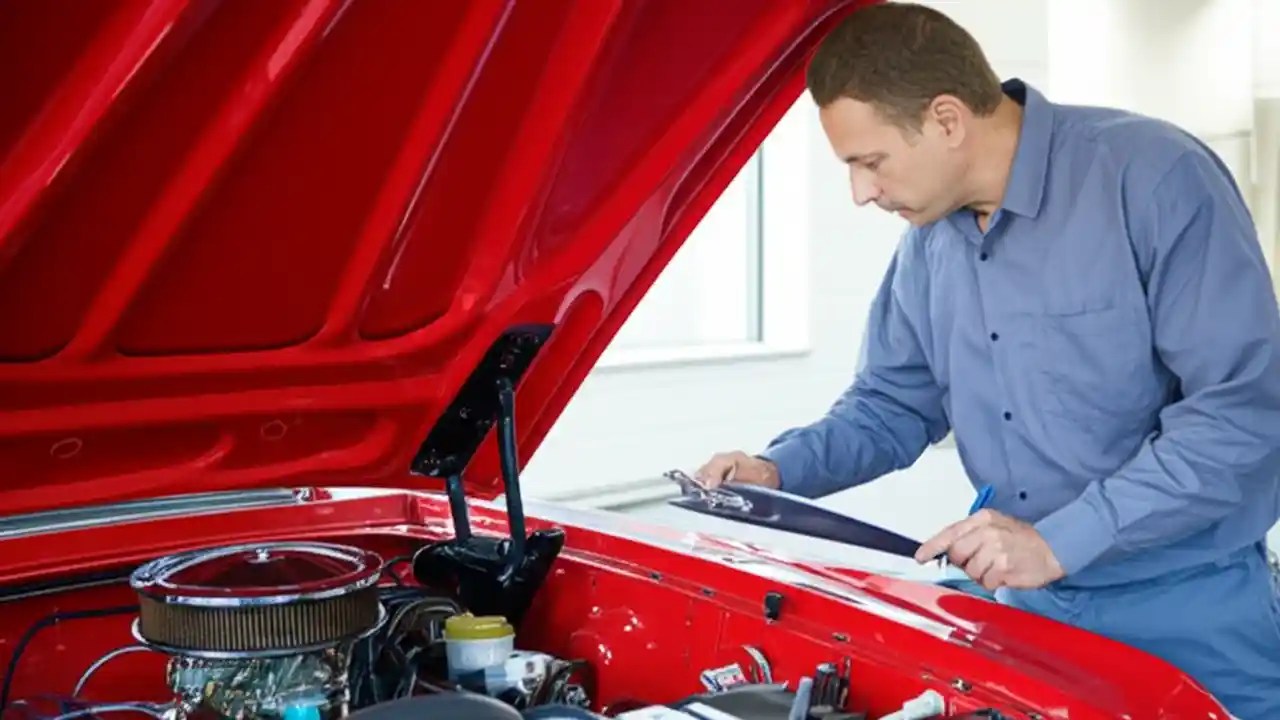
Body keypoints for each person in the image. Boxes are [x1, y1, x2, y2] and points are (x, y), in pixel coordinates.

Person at [694, 2, 1280, 716]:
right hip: (1025, 612)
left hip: (1191, 613)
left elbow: (1240, 414)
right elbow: (890, 406)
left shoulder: (1154, 179)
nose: (861, 193)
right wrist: (776, 472)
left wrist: (1058, 542)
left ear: (946, 119)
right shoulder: (929, 241)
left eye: (870, 162)